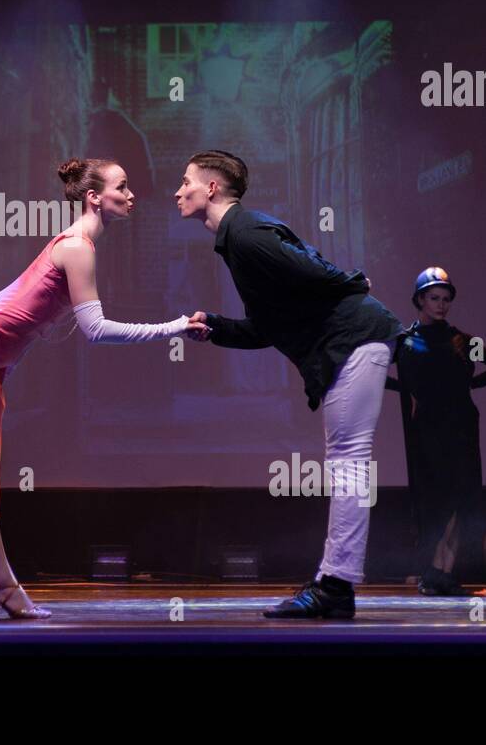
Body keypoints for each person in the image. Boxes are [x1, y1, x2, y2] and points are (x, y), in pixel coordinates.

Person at [0, 157, 207, 620]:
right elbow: (97, 330)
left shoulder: (77, 244)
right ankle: (6, 587)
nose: (131, 196)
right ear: (94, 197)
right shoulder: (78, 247)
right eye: (121, 187)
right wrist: (176, 326)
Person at [179, 150, 404, 619]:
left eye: (186, 182)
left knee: (349, 463)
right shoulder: (237, 241)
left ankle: (335, 587)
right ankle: (332, 583)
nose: (179, 191)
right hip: (351, 343)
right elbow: (267, 328)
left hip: (353, 340)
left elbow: (308, 266)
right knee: (347, 461)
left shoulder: (244, 234)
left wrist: (352, 281)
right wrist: (215, 327)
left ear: (212, 189)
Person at [388, 267, 486, 596]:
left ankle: (446, 571)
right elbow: (374, 371)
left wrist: (469, 384)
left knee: (460, 498)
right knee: (432, 501)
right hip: (427, 430)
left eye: (445, 299)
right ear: (420, 300)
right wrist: (407, 389)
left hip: (461, 427)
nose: (441, 305)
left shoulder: (462, 341)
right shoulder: (405, 341)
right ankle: (430, 571)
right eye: (434, 298)